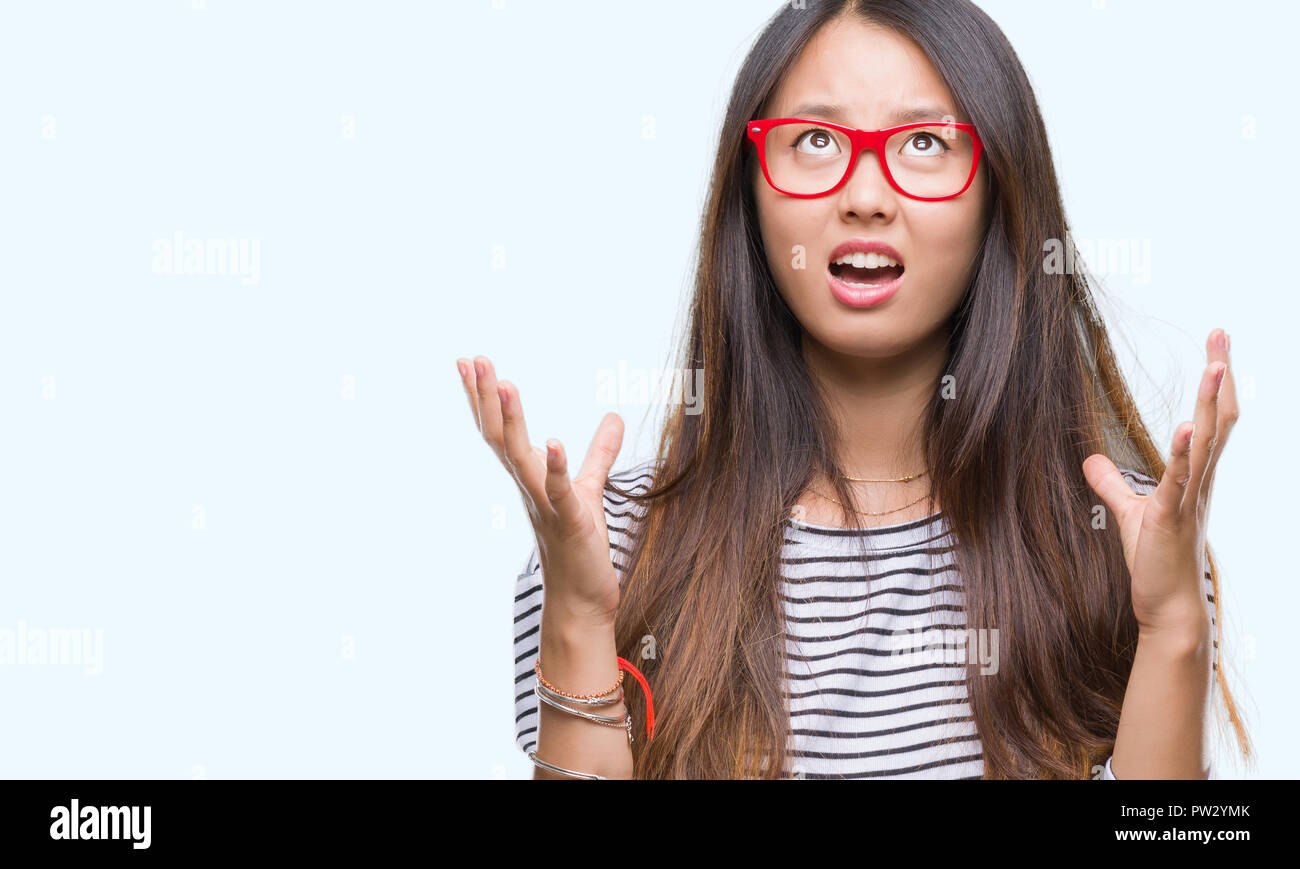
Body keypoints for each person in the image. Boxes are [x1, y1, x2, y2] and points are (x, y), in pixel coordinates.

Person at [457, 0, 1250, 779]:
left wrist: (1174, 623)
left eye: (924, 142)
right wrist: (581, 619)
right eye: (814, 139)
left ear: (999, 194)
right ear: (750, 193)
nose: (866, 195)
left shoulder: (1123, 541)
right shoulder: (613, 549)